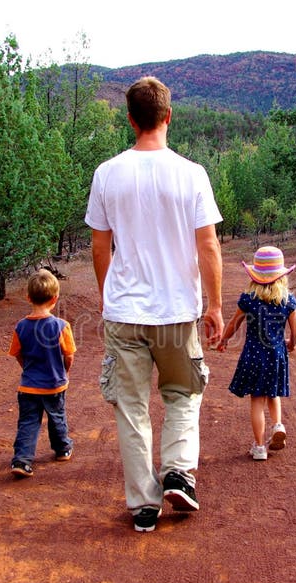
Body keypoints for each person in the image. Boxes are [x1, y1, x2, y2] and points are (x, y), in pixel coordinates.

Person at [84, 76, 224, 532]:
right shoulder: (192, 174)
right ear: (168, 116)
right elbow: (208, 247)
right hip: (176, 312)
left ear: (130, 119)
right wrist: (215, 306)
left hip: (124, 311)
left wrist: (109, 294)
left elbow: (100, 247)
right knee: (183, 393)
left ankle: (144, 504)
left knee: (132, 407)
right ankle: (179, 471)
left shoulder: (107, 173)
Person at [217, 246, 296, 461]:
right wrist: (290, 344)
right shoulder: (287, 300)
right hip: (276, 355)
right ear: (281, 275)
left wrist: (224, 339)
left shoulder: (249, 299)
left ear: (254, 275)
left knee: (257, 399)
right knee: (273, 393)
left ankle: (259, 447)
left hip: (254, 355)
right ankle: (278, 425)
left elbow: (234, 324)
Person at [8, 268, 76, 477]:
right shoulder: (61, 326)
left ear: (28, 297)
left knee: (28, 422)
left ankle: (22, 460)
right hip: (54, 384)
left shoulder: (21, 327)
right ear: (55, 298)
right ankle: (62, 449)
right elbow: (69, 355)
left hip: (28, 386)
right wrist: (64, 371)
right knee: (57, 417)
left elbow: (17, 354)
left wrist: (27, 369)